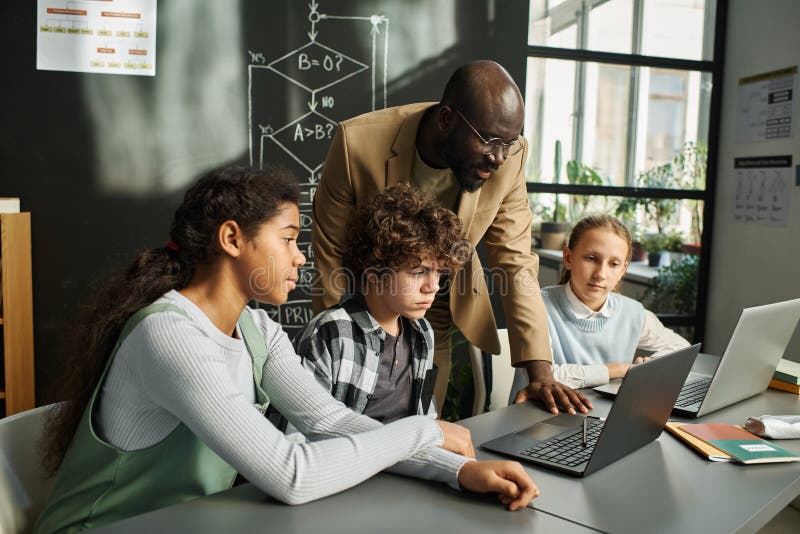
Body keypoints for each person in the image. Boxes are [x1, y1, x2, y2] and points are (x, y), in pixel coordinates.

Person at [35, 165, 538, 533]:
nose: (301, 257)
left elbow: (332, 421)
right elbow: (292, 474)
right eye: (289, 238)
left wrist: (459, 470)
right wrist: (424, 429)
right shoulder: (169, 337)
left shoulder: (256, 328)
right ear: (233, 239)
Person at [312, 59, 590, 416]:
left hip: (435, 311)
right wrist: (337, 343)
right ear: (446, 120)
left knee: (422, 424)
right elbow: (332, 258)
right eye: (490, 141)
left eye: (509, 143)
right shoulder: (357, 144)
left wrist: (541, 373)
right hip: (368, 300)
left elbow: (516, 261)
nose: (499, 158)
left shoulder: (510, 158)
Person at [296, 184, 468, 424]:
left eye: (439, 273)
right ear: (374, 274)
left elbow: (425, 419)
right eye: (418, 272)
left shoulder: (422, 333)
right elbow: (304, 433)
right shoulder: (331, 334)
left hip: (412, 459)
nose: (434, 286)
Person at [540, 214, 690, 389]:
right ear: (568, 258)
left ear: (623, 270)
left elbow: (682, 348)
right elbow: (545, 377)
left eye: (613, 264)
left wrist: (650, 364)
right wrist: (618, 369)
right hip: (539, 414)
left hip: (603, 414)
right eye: (591, 258)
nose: (601, 274)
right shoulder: (539, 307)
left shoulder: (632, 312)